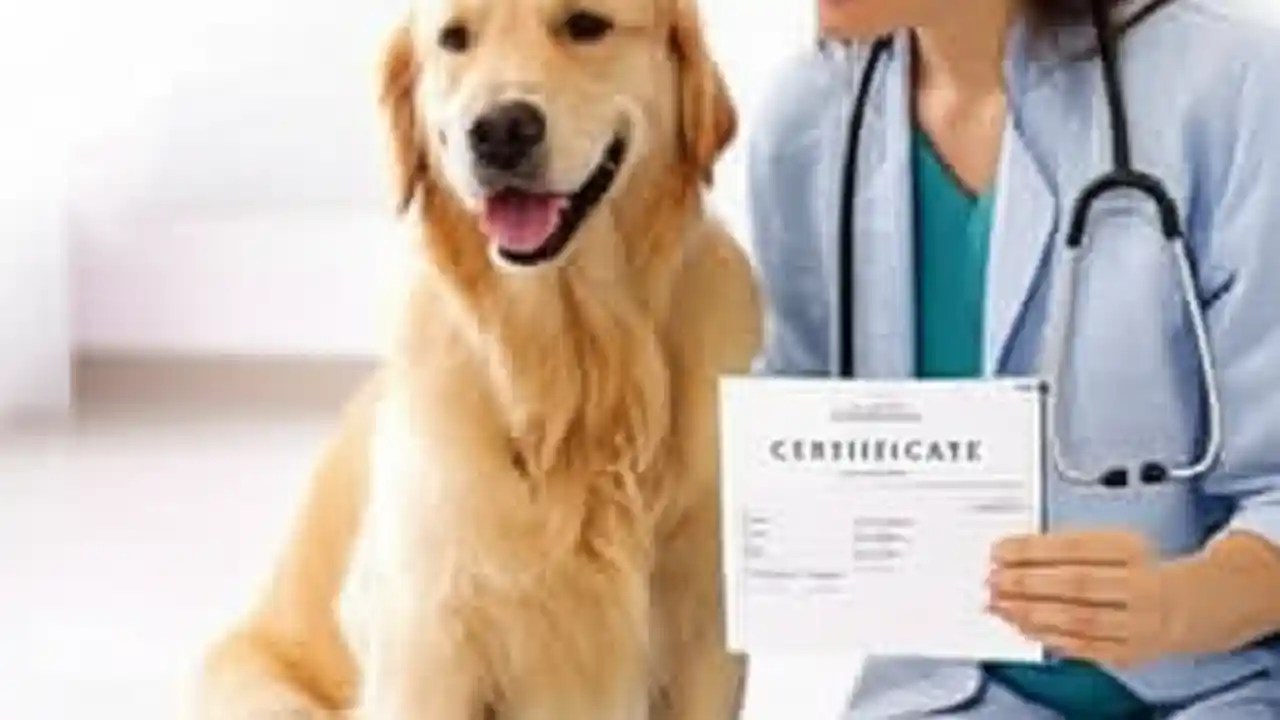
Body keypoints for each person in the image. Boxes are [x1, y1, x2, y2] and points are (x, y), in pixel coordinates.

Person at [748, 0, 1280, 717]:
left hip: (1225, 689)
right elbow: (791, 457)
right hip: (948, 695)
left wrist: (1179, 604)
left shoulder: (1233, 85)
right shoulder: (813, 119)